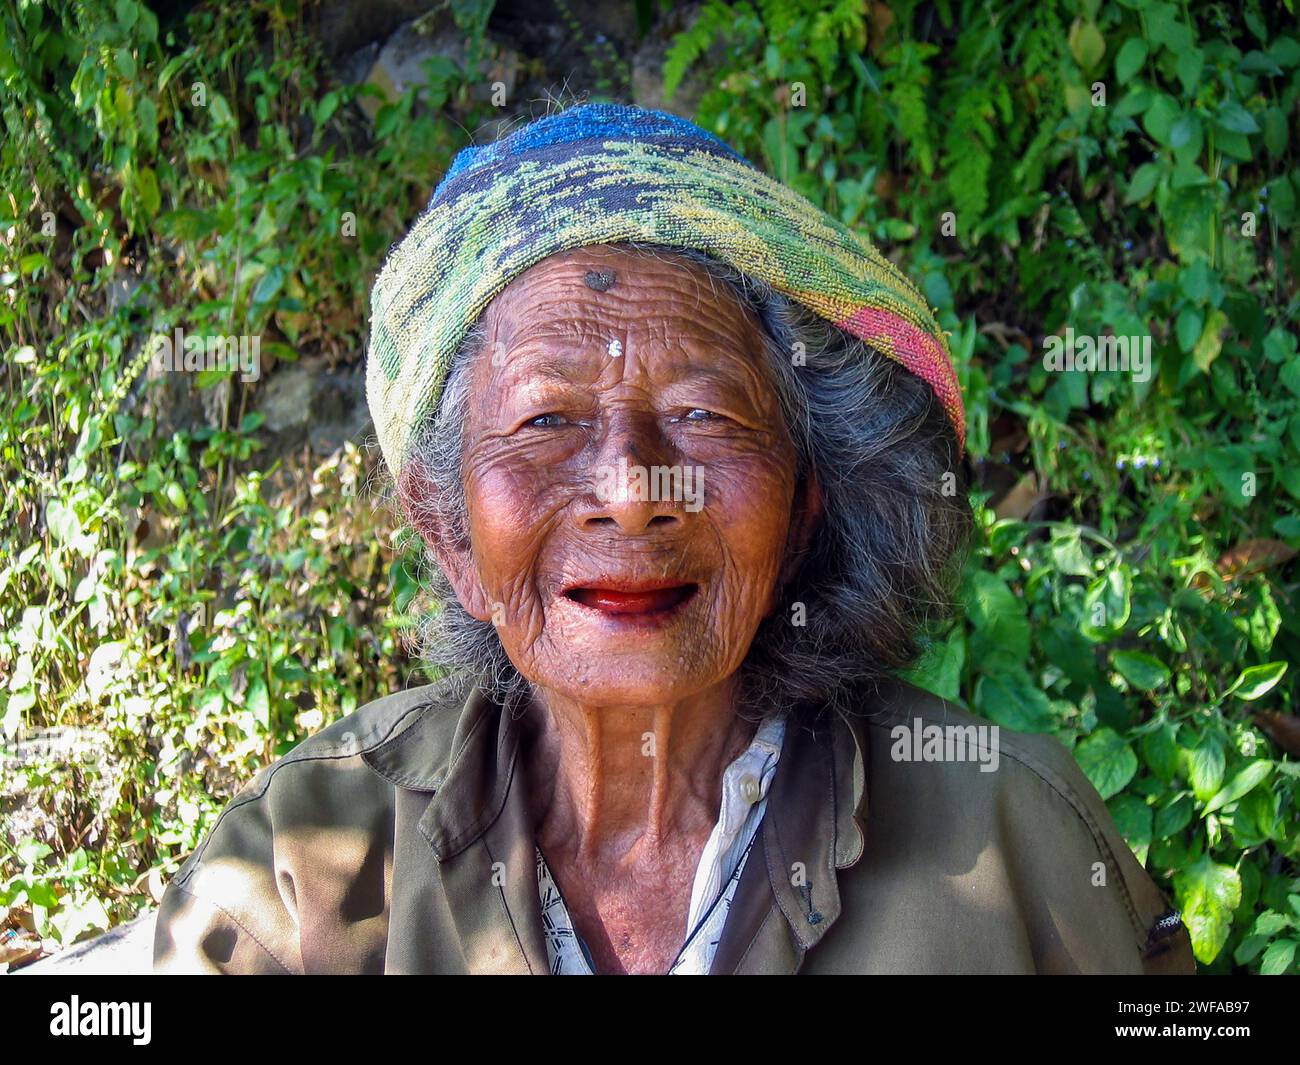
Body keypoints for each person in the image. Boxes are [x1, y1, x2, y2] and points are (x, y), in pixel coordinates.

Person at [153, 103, 1194, 975]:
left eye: (705, 416)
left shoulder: (1017, 835)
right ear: (449, 532)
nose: (631, 491)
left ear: (803, 502)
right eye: (545, 421)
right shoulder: (310, 858)